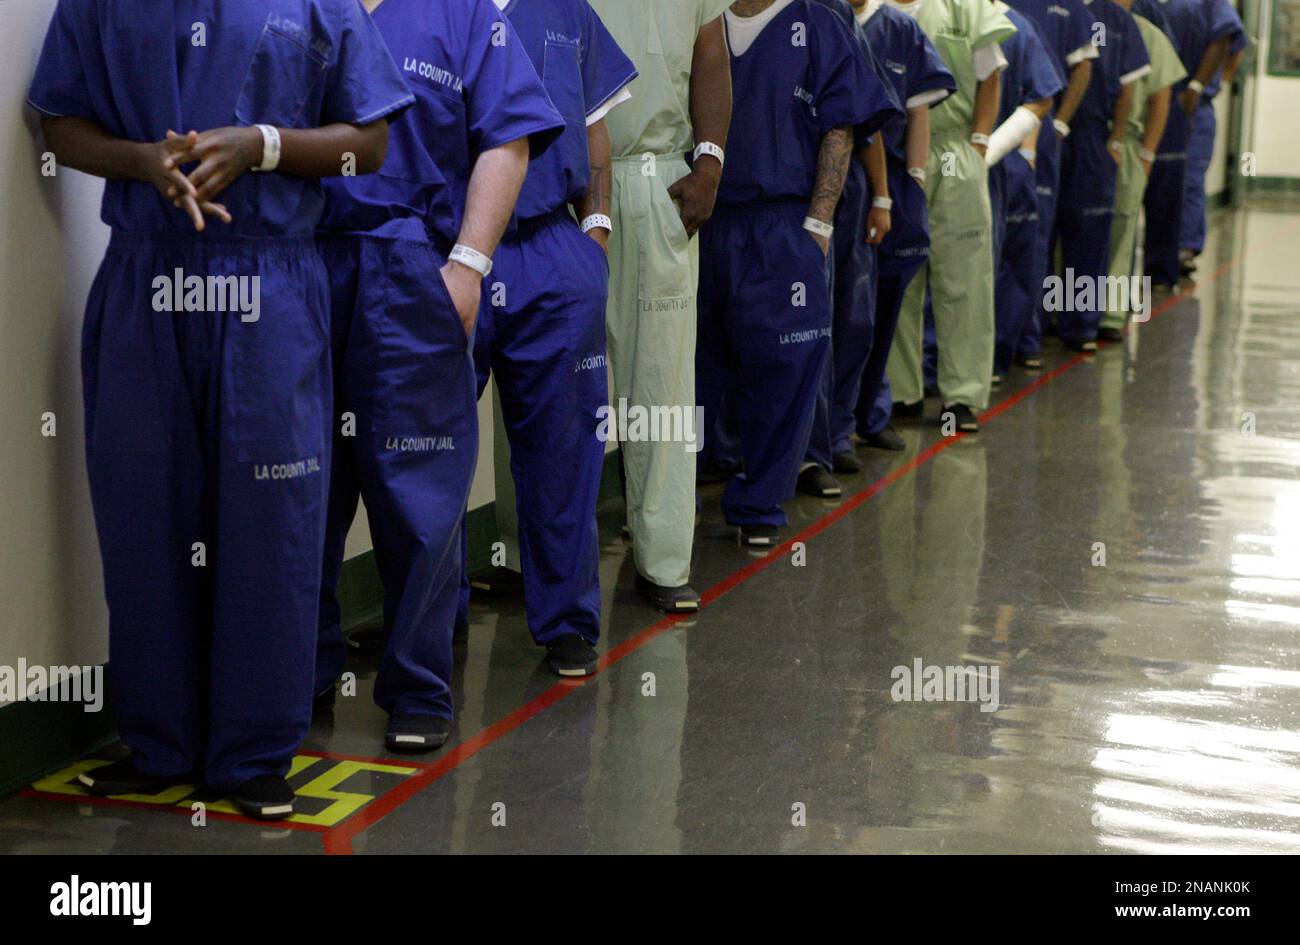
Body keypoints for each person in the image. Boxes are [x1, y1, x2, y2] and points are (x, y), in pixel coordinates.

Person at [30, 0, 413, 818]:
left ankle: (252, 752)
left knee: (270, 518)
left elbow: (370, 142)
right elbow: (57, 119)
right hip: (144, 276)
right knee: (143, 512)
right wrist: (140, 161)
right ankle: (156, 739)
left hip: (269, 280)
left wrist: (262, 147)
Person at [314, 0, 565, 750]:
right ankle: (300, 672)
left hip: (409, 265)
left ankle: (420, 689)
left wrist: (469, 263)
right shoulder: (302, 8)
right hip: (303, 263)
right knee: (298, 486)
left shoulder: (459, 14)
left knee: (418, 494)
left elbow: (509, 136)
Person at [465, 0, 637, 676]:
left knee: (564, 452)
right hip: (455, 252)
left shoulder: (567, 11)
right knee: (429, 448)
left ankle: (566, 622)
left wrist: (595, 237)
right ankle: (430, 627)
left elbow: (596, 136)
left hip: (551, 249)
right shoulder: (435, 10)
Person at [696, 0, 896, 546]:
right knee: (694, 368)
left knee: (782, 365)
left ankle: (758, 504)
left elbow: (843, 126)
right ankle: (677, 495)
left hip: (783, 222)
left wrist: (819, 223)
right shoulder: (701, 18)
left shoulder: (819, 22)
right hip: (702, 217)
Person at [586, 0, 733, 611]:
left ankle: (664, 558)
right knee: (553, 378)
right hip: (569, 181)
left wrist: (710, 162)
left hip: (658, 179)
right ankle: (523, 554)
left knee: (663, 381)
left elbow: (710, 54)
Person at [884, 0, 1017, 435]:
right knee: (898, 278)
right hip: (892, 154)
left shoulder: (964, 9)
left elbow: (990, 78)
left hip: (955, 151)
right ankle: (901, 392)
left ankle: (961, 396)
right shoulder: (872, 10)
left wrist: (978, 142)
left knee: (963, 277)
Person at [849, 0, 956, 453]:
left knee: (888, 303)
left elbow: (918, 113)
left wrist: (913, 178)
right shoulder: (818, 18)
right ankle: (832, 431)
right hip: (836, 180)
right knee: (844, 313)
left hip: (892, 179)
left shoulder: (900, 29)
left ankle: (873, 413)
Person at [1003, 0, 1097, 370]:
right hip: (991, 125)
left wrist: (1060, 123)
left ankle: (1027, 338)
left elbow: (1083, 67)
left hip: (1037, 129)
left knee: (1033, 236)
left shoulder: (1070, 10)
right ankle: (994, 346)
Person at [1051, 0, 1149, 352]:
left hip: (1093, 136)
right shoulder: (1052, 8)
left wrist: (1117, 139)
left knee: (1087, 236)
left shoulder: (1117, 21)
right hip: (1047, 130)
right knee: (1040, 234)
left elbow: (1126, 88)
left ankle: (1080, 325)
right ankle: (1039, 324)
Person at [985, 3, 1062, 382]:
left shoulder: (1016, 27)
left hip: (1003, 162)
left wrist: (1020, 152)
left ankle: (996, 357)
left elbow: (1040, 96)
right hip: (953, 161)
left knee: (1008, 263)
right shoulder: (935, 18)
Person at [1142, 0, 1243, 288]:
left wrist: (1199, 85)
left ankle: (1183, 248)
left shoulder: (1211, 5)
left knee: (1187, 179)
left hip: (1189, 103)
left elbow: (1228, 41)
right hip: (1150, 97)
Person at [1100, 0, 1185, 339]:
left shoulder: (1148, 35)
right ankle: (1070, 310)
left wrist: (1148, 153)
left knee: (1121, 232)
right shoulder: (1089, 25)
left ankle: (1110, 313)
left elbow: (1161, 98)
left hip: (1130, 144)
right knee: (1080, 230)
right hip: (1091, 139)